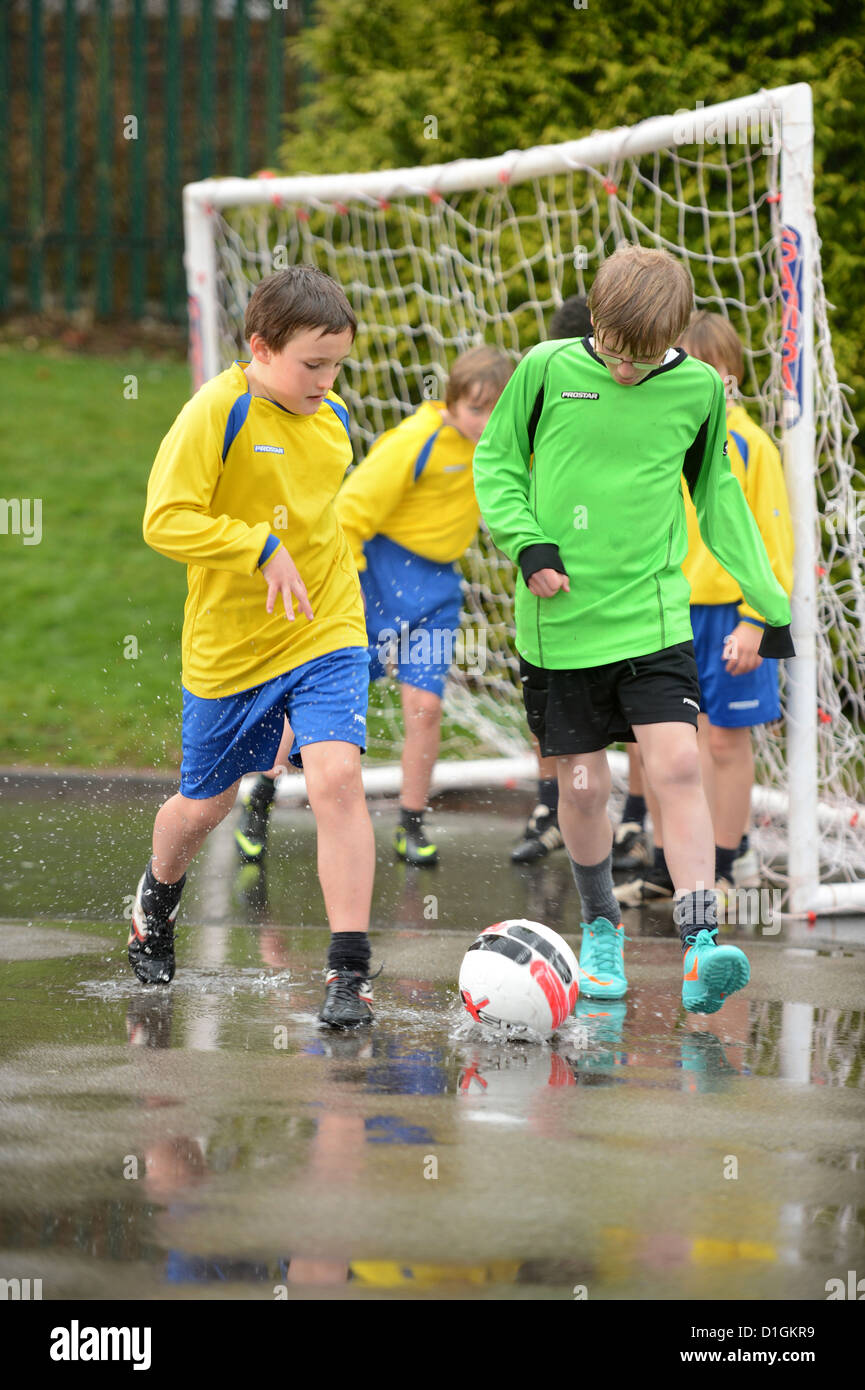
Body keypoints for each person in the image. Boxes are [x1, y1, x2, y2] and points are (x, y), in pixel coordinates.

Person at [472, 243, 795, 1014]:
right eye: (615, 353)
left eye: (644, 359)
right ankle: (600, 924)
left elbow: (718, 496)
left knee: (678, 765)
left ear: (675, 340)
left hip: (652, 614)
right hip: (560, 624)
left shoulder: (694, 390)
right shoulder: (546, 368)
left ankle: (700, 944)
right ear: (596, 321)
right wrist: (527, 543)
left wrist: (766, 601)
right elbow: (495, 464)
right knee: (582, 788)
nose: (625, 371)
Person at [129, 265, 378, 1028]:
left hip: (325, 625)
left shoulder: (331, 419)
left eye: (336, 364)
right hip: (232, 645)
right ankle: (156, 898)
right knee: (207, 805)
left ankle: (347, 974)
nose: (326, 380)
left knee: (335, 778)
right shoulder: (218, 410)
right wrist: (257, 548)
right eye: (312, 363)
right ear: (260, 348)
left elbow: (322, 522)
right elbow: (164, 519)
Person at [615, 311, 794, 907]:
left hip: (731, 616)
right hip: (666, 612)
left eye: (715, 373)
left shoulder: (749, 444)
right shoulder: (664, 434)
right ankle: (671, 868)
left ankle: (725, 859)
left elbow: (772, 537)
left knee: (725, 742)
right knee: (671, 743)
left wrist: (754, 617)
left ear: (734, 377)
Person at [332, 345, 514, 865]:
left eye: (495, 410)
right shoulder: (416, 440)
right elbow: (349, 512)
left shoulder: (500, 448)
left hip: (436, 590)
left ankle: (410, 823)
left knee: (426, 707)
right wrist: (353, 588)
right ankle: (263, 795)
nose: (484, 421)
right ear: (452, 402)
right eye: (475, 408)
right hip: (379, 577)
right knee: (336, 700)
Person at [511, 294, 592, 865]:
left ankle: (635, 822)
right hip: (548, 576)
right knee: (549, 707)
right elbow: (501, 470)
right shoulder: (540, 392)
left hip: (623, 584)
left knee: (639, 720)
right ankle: (549, 807)